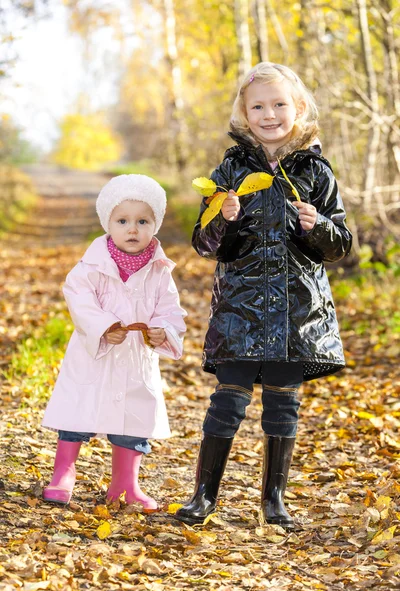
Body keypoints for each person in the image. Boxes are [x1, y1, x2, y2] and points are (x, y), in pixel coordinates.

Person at [175, 62, 352, 529]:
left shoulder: (316, 170)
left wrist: (321, 227)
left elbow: (341, 245)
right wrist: (223, 217)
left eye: (279, 105)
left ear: (298, 109)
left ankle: (274, 499)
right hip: (240, 311)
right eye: (258, 106)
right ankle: (204, 496)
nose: (269, 114)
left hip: (297, 313)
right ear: (244, 112)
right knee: (227, 400)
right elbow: (205, 243)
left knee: (282, 403)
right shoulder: (230, 169)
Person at [42, 174, 187, 509]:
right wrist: (105, 326)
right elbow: (77, 296)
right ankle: (63, 472)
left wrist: (163, 329)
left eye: (142, 221)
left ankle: (124, 483)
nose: (132, 229)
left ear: (156, 224)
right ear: (108, 222)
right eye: (122, 221)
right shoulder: (92, 265)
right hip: (95, 353)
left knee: (133, 418)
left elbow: (171, 309)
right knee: (78, 411)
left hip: (136, 356)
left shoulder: (159, 270)